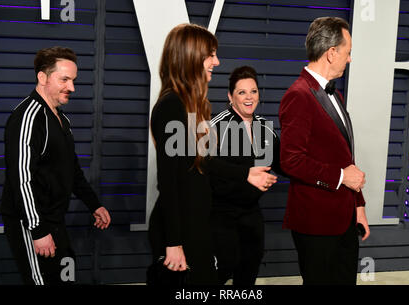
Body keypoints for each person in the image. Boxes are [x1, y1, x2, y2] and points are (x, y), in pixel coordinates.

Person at [148, 24, 277, 285]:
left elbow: (202, 161)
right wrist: (173, 243)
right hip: (180, 231)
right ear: (192, 56)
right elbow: (169, 182)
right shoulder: (171, 106)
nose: (216, 62)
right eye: (211, 55)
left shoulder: (193, 105)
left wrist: (246, 173)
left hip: (197, 225)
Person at [1, 46, 111, 285]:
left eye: (73, 80)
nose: (71, 87)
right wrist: (38, 231)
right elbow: (21, 179)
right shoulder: (27, 118)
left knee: (65, 277)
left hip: (54, 219)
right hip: (31, 222)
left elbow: (72, 170)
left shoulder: (62, 119)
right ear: (42, 77)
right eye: (64, 79)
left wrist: (94, 204)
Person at [278, 17, 370, 285]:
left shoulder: (335, 95)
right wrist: (341, 177)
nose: (349, 59)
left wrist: (359, 205)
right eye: (348, 52)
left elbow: (345, 158)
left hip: (344, 220)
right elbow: (291, 161)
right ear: (332, 53)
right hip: (316, 223)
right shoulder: (299, 95)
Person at [209, 66, 285, 285]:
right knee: (222, 269)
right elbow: (204, 167)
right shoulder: (217, 127)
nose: (249, 97)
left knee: (249, 271)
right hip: (220, 215)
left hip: (251, 213)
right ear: (230, 96)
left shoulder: (265, 128)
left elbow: (284, 165)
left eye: (253, 91)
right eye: (242, 92)